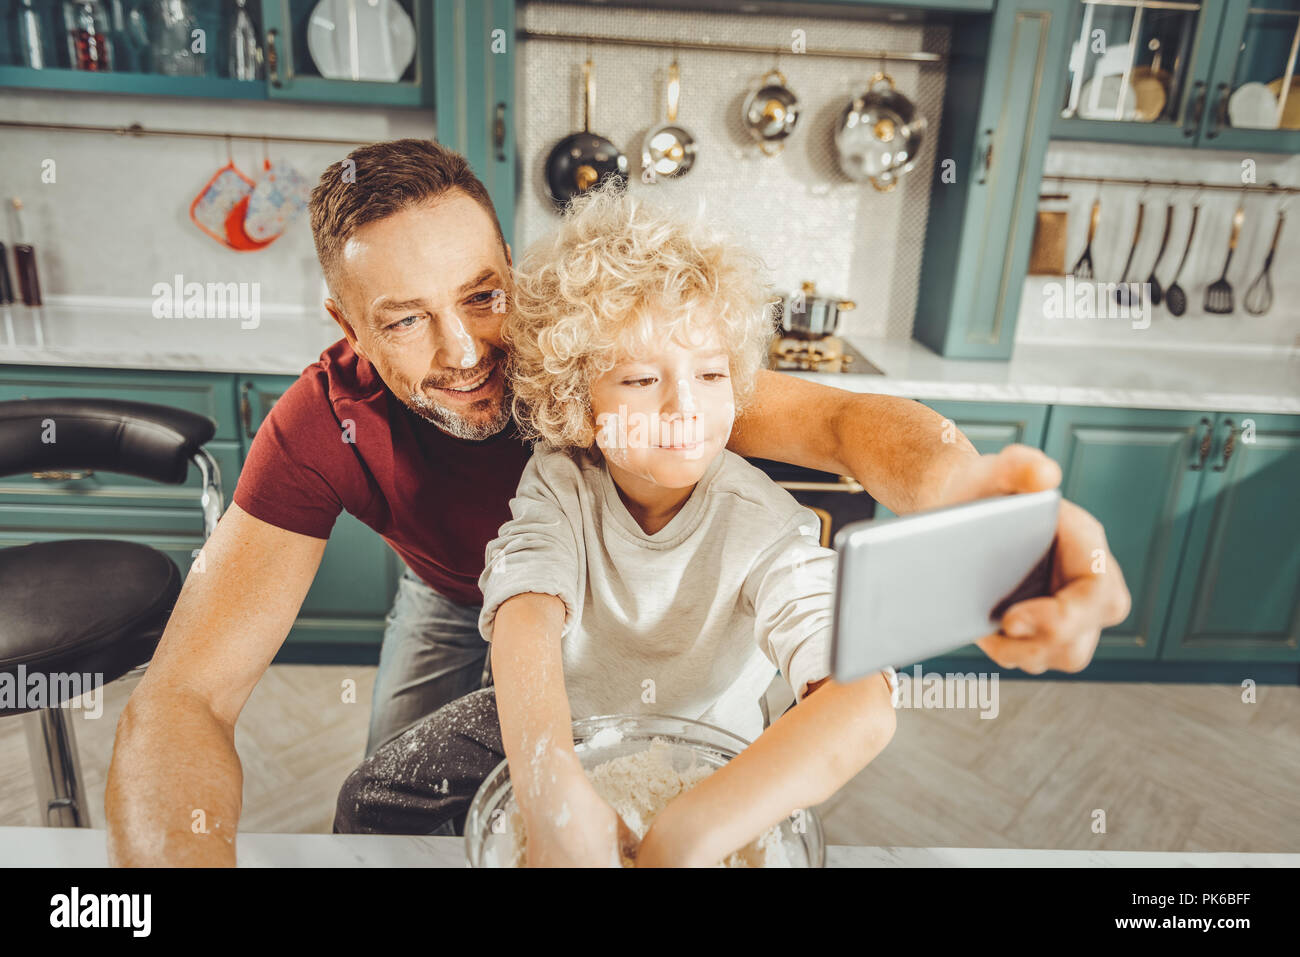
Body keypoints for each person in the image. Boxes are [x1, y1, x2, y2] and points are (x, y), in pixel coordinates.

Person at [105, 138, 1131, 867]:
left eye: (482, 295)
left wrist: (968, 501)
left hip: (617, 643)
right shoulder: (323, 424)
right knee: (390, 809)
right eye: (406, 320)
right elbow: (184, 699)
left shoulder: (613, 355)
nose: (465, 352)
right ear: (348, 326)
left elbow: (841, 426)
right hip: (453, 594)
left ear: (514, 277)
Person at [333, 182, 901, 866]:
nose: (685, 407)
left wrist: (688, 833)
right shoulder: (561, 478)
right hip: (564, 723)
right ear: (577, 398)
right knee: (372, 796)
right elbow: (525, 610)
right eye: (639, 380)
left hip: (704, 756)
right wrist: (548, 784)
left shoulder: (764, 526)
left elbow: (862, 700)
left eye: (711, 374)